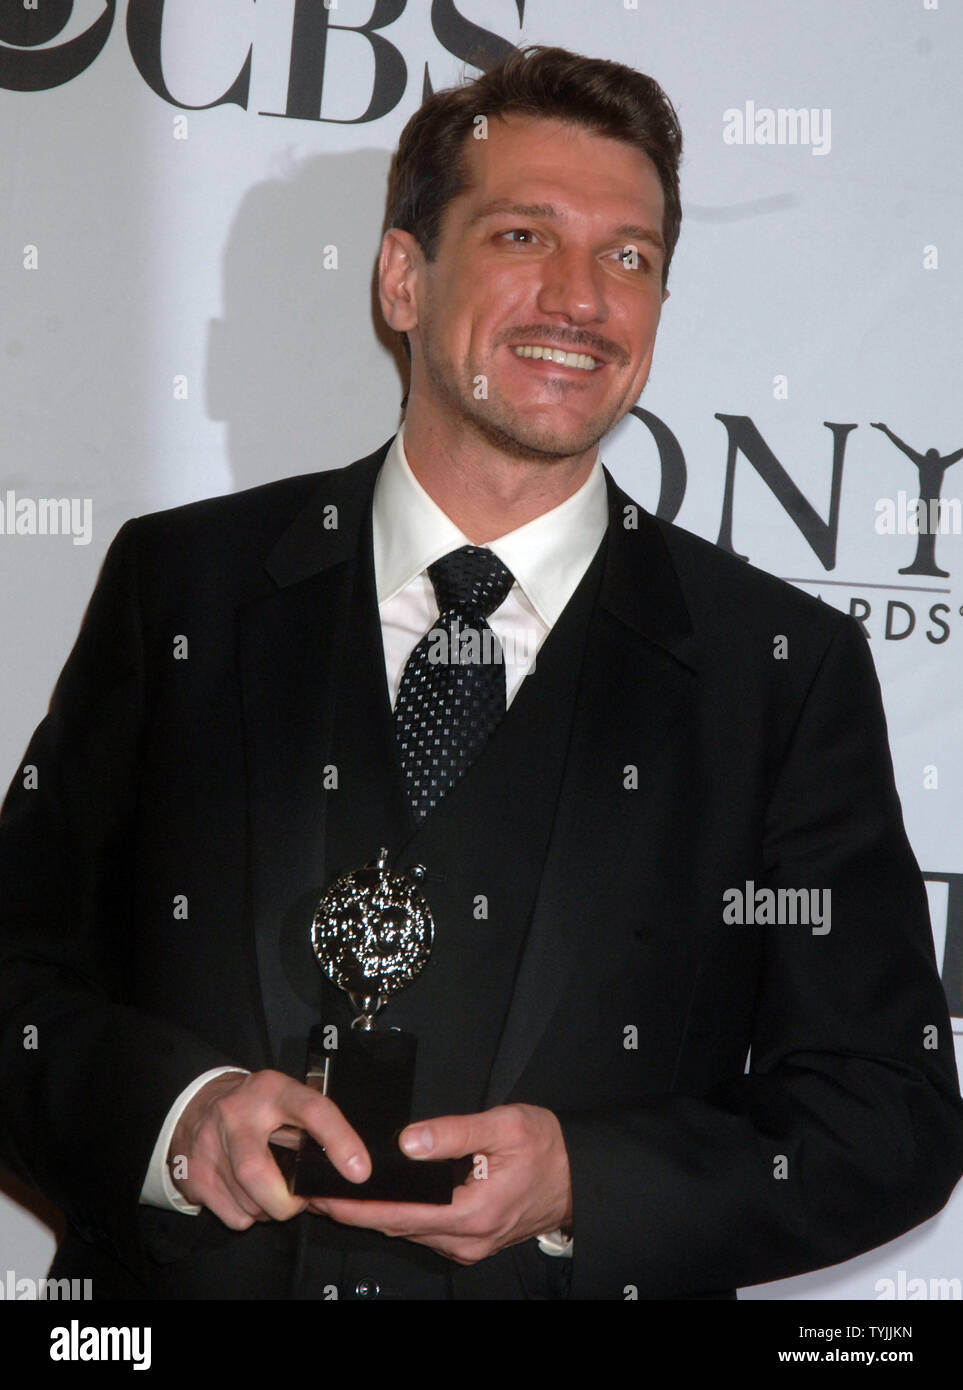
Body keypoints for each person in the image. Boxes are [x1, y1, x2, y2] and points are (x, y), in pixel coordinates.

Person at [1, 45, 962, 1302]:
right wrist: (178, 1119)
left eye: (630, 258)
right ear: (404, 279)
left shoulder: (776, 672)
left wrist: (587, 1184)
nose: (581, 300)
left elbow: (887, 1114)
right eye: (524, 236)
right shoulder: (181, 588)